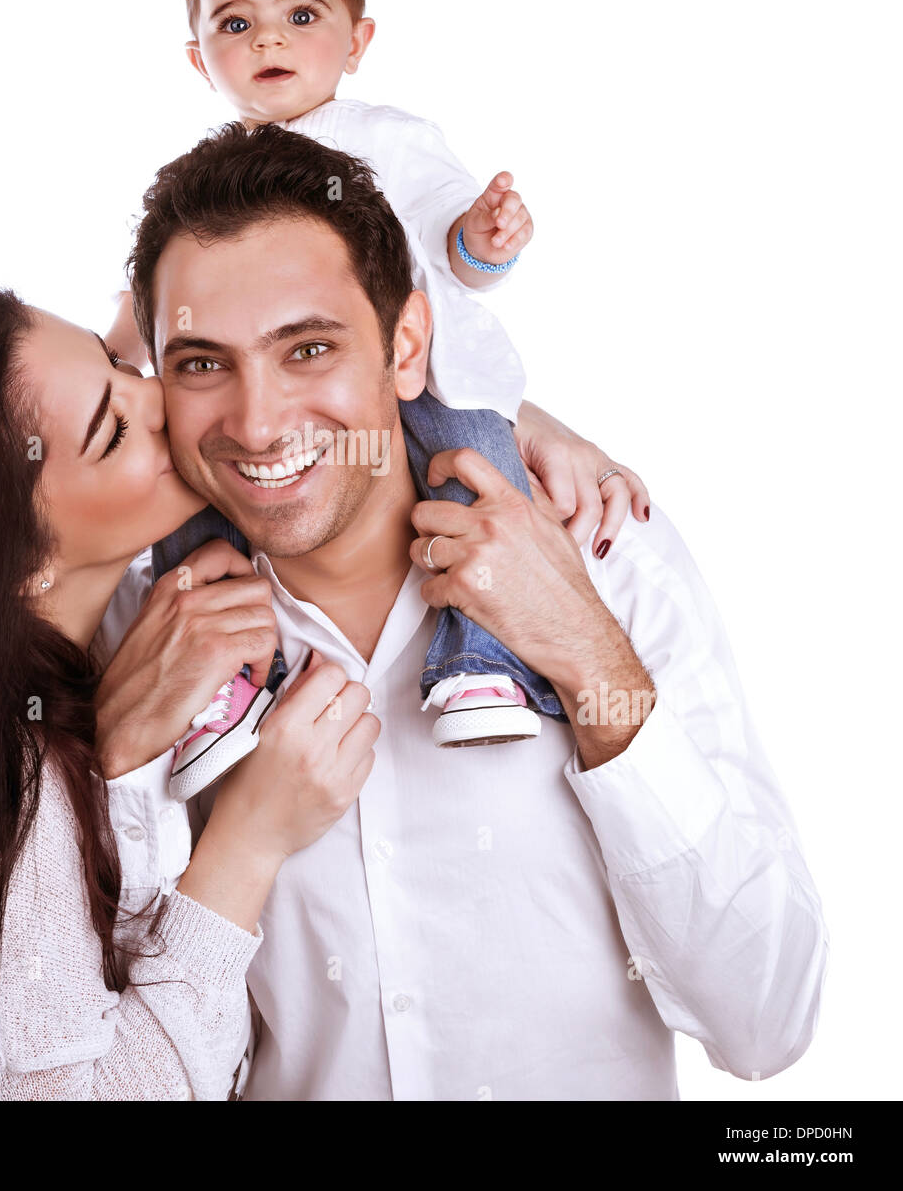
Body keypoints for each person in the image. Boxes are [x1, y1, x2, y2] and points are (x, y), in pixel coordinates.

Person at [117, 122, 829, 1100]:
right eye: (201, 363)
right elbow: (105, 1057)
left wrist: (586, 656)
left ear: (407, 346)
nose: (256, 421)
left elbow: (766, 1018)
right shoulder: (138, 633)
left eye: (309, 347)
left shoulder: (604, 556)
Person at [0, 287, 378, 1100]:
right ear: (21, 562)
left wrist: (498, 423)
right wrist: (251, 840)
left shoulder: (40, 662)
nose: (159, 396)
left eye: (119, 362)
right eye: (115, 430)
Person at [106, 0, 651, 767]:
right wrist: (117, 367)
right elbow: (148, 313)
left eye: (299, 17)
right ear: (195, 57)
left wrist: (482, 237)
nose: (266, 43)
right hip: (363, 400)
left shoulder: (388, 143)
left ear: (357, 42)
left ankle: (480, 660)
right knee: (190, 491)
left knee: (479, 478)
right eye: (235, 24)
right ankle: (231, 679)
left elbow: (453, 251)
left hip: (438, 380)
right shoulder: (206, 191)